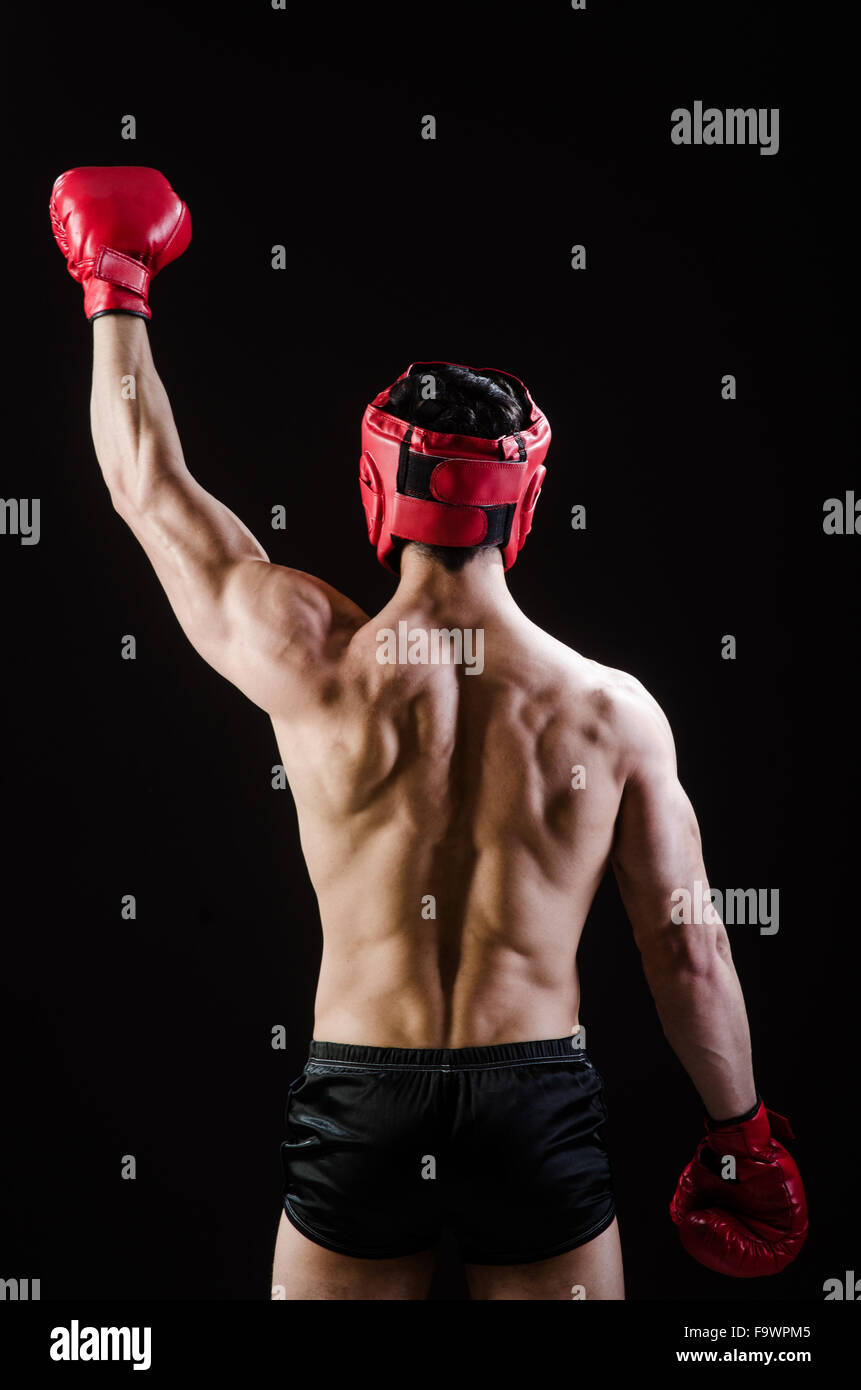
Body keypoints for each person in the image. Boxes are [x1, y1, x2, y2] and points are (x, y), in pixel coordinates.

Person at [50, 166, 807, 1301]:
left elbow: (146, 484)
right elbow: (690, 950)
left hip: (359, 1093)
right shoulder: (613, 711)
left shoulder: (310, 656)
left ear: (377, 484)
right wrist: (739, 1132)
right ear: (523, 501)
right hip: (537, 1101)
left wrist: (116, 291)